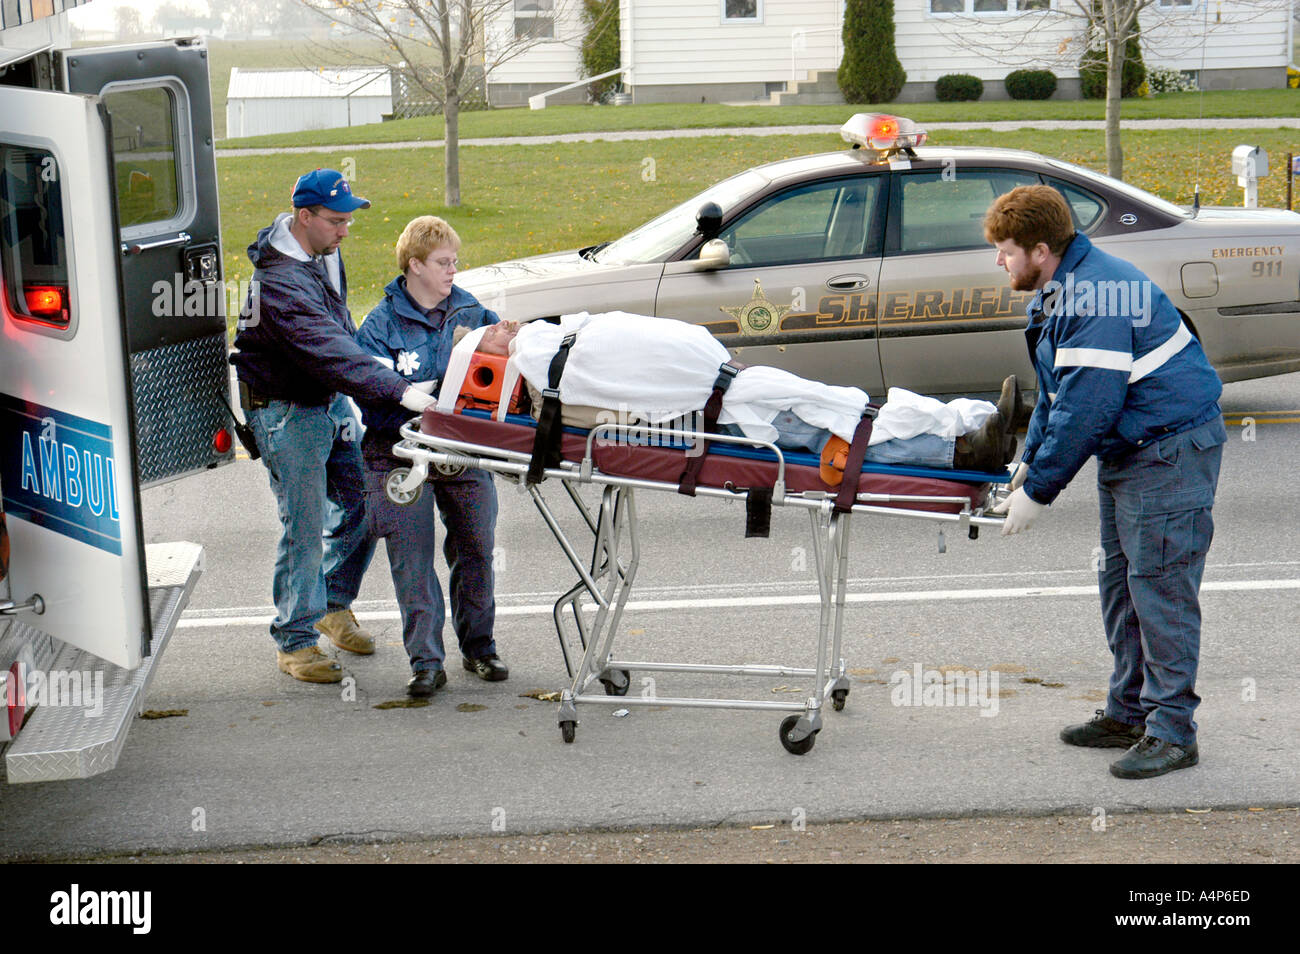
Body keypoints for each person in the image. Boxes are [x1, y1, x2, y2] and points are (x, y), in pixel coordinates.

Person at [983, 184, 1226, 780]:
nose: (999, 261)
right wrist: (1026, 466)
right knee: (1122, 588)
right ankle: (1129, 711)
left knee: (1160, 593)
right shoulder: (1060, 288)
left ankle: (1173, 732)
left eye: (1006, 250)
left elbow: (1090, 406)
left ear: (1040, 249)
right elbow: (1057, 395)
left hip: (1167, 451)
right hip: (1132, 449)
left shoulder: (1096, 298)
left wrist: (1040, 491)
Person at [230, 170, 438, 684]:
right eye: (337, 220)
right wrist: (397, 389)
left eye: (348, 219)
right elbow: (328, 347)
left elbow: (341, 332)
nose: (346, 231)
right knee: (302, 527)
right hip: (284, 411)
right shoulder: (278, 284)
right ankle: (295, 641)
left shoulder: (322, 251)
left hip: (326, 398)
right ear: (305, 217)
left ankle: (332, 602)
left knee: (365, 503)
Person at [462, 312, 1020, 473]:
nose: (507, 324)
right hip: (714, 413)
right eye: (496, 331)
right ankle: (962, 445)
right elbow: (622, 376)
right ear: (489, 357)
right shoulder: (540, 361)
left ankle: (963, 421)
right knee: (834, 426)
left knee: (839, 406)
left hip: (719, 391)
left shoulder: (553, 346)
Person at [354, 216, 506, 698]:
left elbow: (497, 383)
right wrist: (416, 397)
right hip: (396, 455)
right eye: (443, 262)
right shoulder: (378, 327)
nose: (452, 271)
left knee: (477, 548)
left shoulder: (473, 314)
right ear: (414, 265)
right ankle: (425, 661)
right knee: (412, 559)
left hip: (461, 453)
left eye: (456, 261)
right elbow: (370, 400)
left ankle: (480, 648)